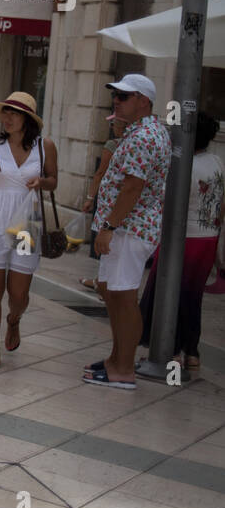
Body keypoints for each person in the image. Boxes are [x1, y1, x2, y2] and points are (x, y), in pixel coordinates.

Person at [83, 75, 171, 389]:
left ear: (143, 101)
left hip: (130, 229)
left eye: (123, 96)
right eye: (115, 96)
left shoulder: (145, 135)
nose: (116, 101)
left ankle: (123, 368)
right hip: (126, 227)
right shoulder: (141, 132)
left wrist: (108, 227)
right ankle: (116, 359)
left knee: (123, 295)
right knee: (111, 291)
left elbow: (133, 187)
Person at [0, 91, 58, 368]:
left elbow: (54, 181)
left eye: (14, 113)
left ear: (27, 119)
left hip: (26, 222)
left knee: (18, 293)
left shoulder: (45, 147)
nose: (7, 118)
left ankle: (14, 319)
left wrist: (41, 183)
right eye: (5, 112)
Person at [137, 113, 221, 377]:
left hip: (184, 239)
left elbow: (168, 203)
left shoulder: (186, 168)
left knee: (168, 293)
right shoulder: (217, 162)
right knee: (192, 296)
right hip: (208, 237)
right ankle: (192, 353)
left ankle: (170, 351)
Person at [80, 114, 128, 288]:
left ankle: (103, 284)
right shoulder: (133, 144)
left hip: (110, 204)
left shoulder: (112, 145)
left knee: (105, 247)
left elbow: (100, 172)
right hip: (126, 206)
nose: (112, 126)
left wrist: (90, 198)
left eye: (114, 123)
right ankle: (104, 282)